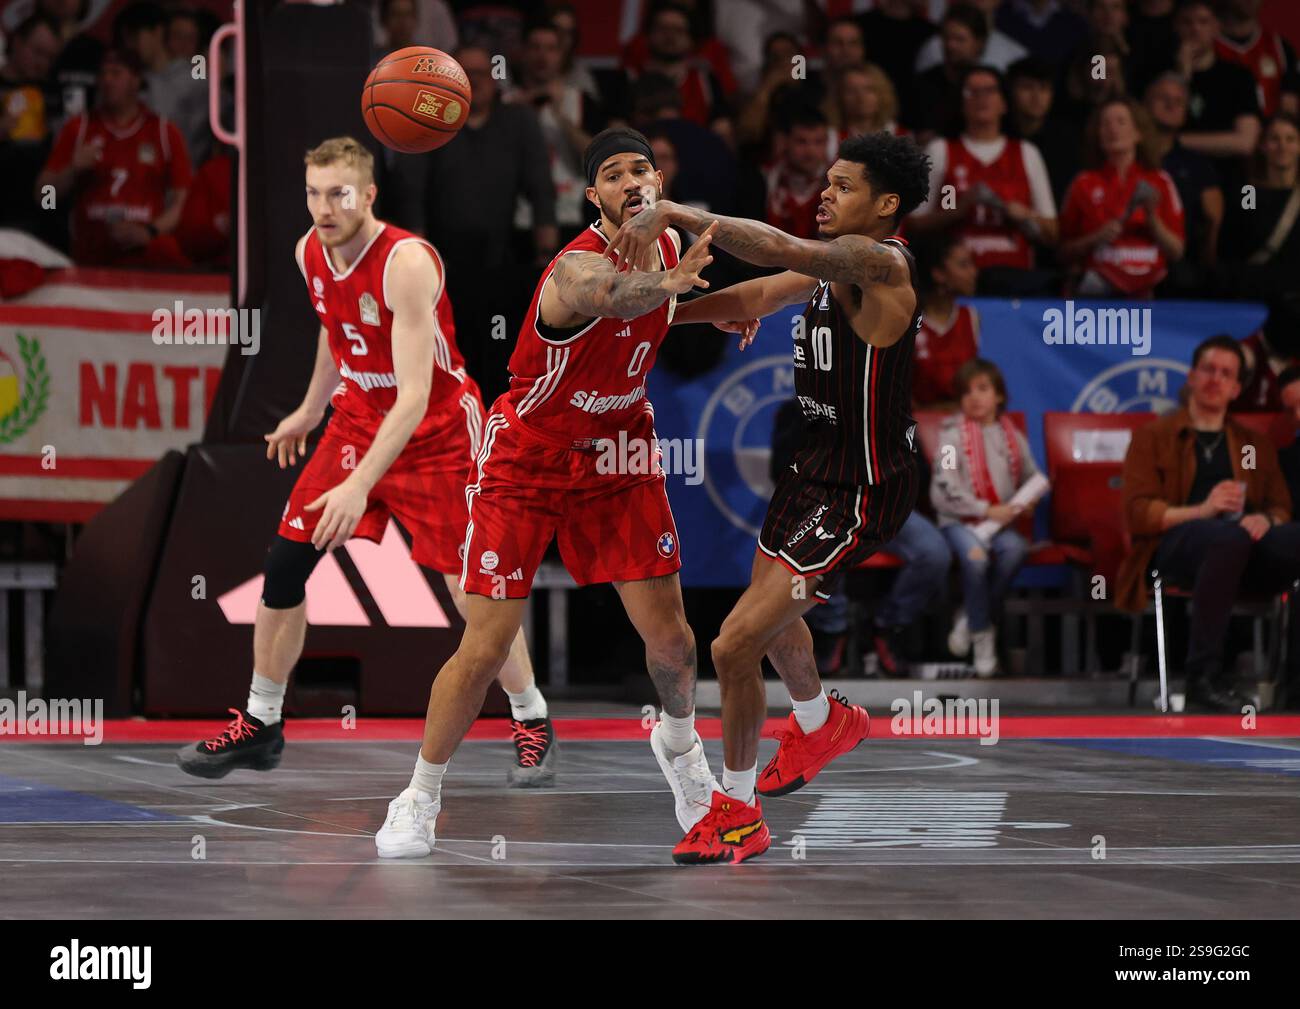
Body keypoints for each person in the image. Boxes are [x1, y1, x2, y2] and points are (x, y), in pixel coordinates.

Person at [372, 127, 721, 859]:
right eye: (615, 175)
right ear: (593, 195)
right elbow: (610, 295)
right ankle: (419, 796)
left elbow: (702, 293)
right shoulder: (574, 269)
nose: (632, 182)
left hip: (618, 453)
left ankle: (686, 759)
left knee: (675, 641)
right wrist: (666, 286)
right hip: (527, 459)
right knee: (486, 644)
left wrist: (818, 276)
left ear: (658, 182)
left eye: (642, 169)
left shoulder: (672, 246)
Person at [176, 137, 554, 787]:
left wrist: (357, 485)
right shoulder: (307, 250)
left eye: (338, 194)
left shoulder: (406, 262)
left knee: (470, 592)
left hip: (436, 429)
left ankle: (531, 717)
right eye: (313, 194)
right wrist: (307, 409)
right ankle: (261, 723)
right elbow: (337, 326)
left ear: (369, 195)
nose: (323, 208)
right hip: (357, 416)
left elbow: (412, 397)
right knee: (286, 560)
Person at [607, 131, 932, 863]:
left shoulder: (881, 262)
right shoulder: (827, 266)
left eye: (843, 186)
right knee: (777, 623)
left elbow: (783, 251)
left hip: (863, 485)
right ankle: (822, 720)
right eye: (827, 181)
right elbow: (757, 290)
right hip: (810, 467)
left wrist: (680, 215)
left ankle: (739, 810)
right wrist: (651, 311)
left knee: (734, 642)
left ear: (885, 205)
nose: (825, 193)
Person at [1117, 335, 1299, 710]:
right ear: (1191, 376)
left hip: (1244, 547)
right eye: (1208, 370)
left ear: (1236, 389)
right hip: (1174, 545)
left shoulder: (1252, 445)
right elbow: (1137, 513)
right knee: (1227, 539)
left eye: (1226, 374)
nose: (1216, 379)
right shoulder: (1155, 436)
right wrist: (1203, 509)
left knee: (1287, 537)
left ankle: (1292, 687)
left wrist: (1265, 519)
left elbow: (1281, 506)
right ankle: (1203, 678)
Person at [931, 359, 1045, 677]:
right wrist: (983, 510)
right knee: (976, 558)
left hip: (1000, 524)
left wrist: (1029, 499)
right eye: (966, 392)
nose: (974, 398)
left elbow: (1032, 476)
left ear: (999, 396)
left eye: (982, 389)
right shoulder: (952, 436)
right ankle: (982, 635)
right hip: (959, 521)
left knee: (1015, 551)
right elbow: (943, 491)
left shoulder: (1011, 436)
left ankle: (969, 616)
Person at [909, 65, 1059, 295]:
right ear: (960, 102)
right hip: (954, 284)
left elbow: (1053, 233)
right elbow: (913, 224)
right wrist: (957, 211)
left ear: (1004, 103)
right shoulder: (941, 150)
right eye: (972, 92)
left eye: (990, 91)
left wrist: (1026, 216)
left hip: (1015, 280)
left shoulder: (1026, 152)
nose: (982, 99)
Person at [36, 47, 191, 266]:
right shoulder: (79, 128)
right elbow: (44, 200)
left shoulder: (164, 132)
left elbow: (183, 202)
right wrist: (71, 170)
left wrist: (150, 231)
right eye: (103, 74)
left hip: (146, 261)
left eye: (116, 73)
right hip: (88, 261)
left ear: (136, 80)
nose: (107, 80)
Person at [1059, 96, 1185, 298]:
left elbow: (1177, 251)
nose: (1112, 129)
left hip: (1152, 283)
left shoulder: (1161, 181)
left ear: (1138, 133)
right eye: (1105, 124)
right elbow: (1063, 251)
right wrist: (1094, 239)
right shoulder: (1083, 183)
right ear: (1097, 135)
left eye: (1121, 122)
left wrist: (1152, 218)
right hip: (1098, 284)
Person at [1144, 72, 1223, 288]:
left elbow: (1213, 220)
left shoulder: (1197, 165)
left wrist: (1207, 271)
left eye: (1179, 101)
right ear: (1144, 105)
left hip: (1178, 268)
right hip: (1128, 257)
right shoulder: (1128, 157)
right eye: (1163, 98)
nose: (1171, 105)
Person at [1218, 114, 1300, 298]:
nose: (1282, 146)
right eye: (1274, 139)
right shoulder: (1250, 192)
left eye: (1290, 139)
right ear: (1262, 146)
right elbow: (1236, 240)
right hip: (1255, 293)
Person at [912, 233, 980, 412]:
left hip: (964, 426)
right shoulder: (907, 321)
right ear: (939, 274)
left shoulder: (972, 317)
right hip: (918, 430)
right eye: (963, 265)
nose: (974, 272)